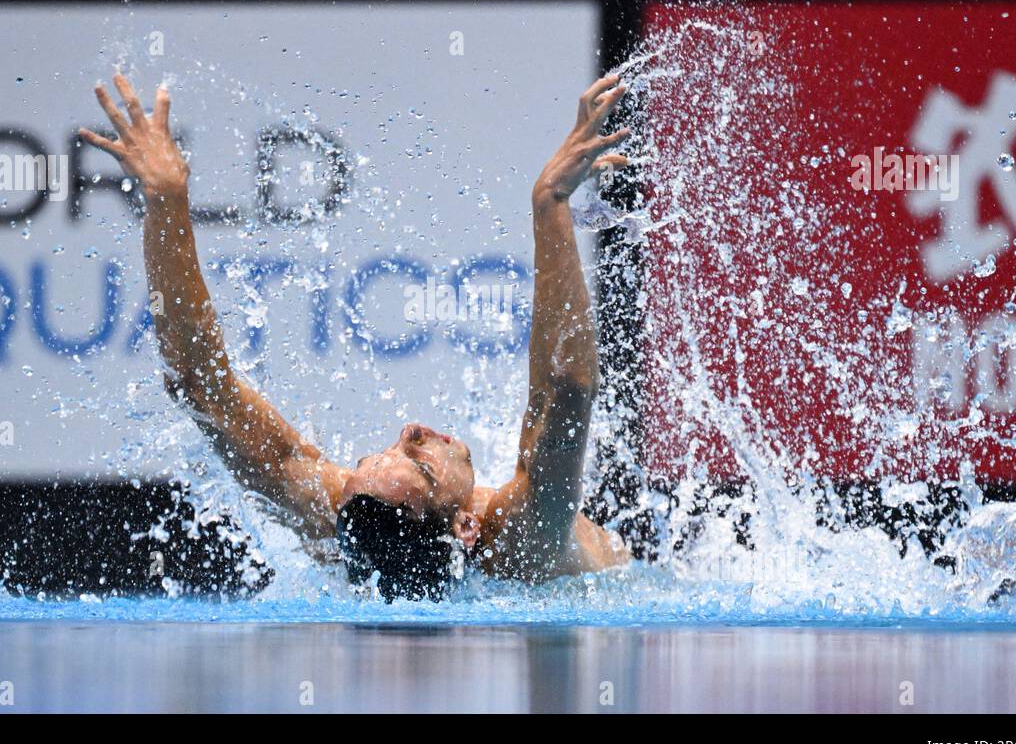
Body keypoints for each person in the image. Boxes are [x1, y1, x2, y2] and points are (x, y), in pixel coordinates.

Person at [80, 72, 633, 600]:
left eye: (379, 451)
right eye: (418, 464)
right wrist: (551, 204)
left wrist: (166, 200)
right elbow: (569, 387)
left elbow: (198, 385)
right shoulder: (522, 544)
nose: (409, 430)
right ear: (465, 526)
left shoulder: (343, 524)